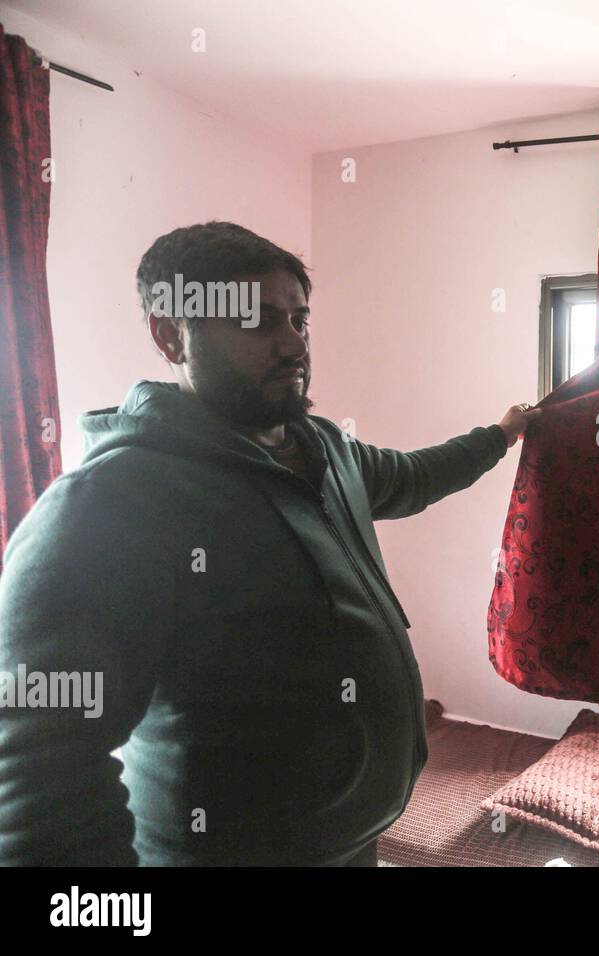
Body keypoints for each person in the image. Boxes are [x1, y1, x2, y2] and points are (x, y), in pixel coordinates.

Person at [0, 221, 537, 865]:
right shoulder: (114, 503)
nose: (292, 344)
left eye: (299, 320)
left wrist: (500, 436)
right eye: (257, 322)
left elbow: (414, 476)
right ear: (172, 334)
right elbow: (38, 768)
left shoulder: (323, 449)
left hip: (350, 844)